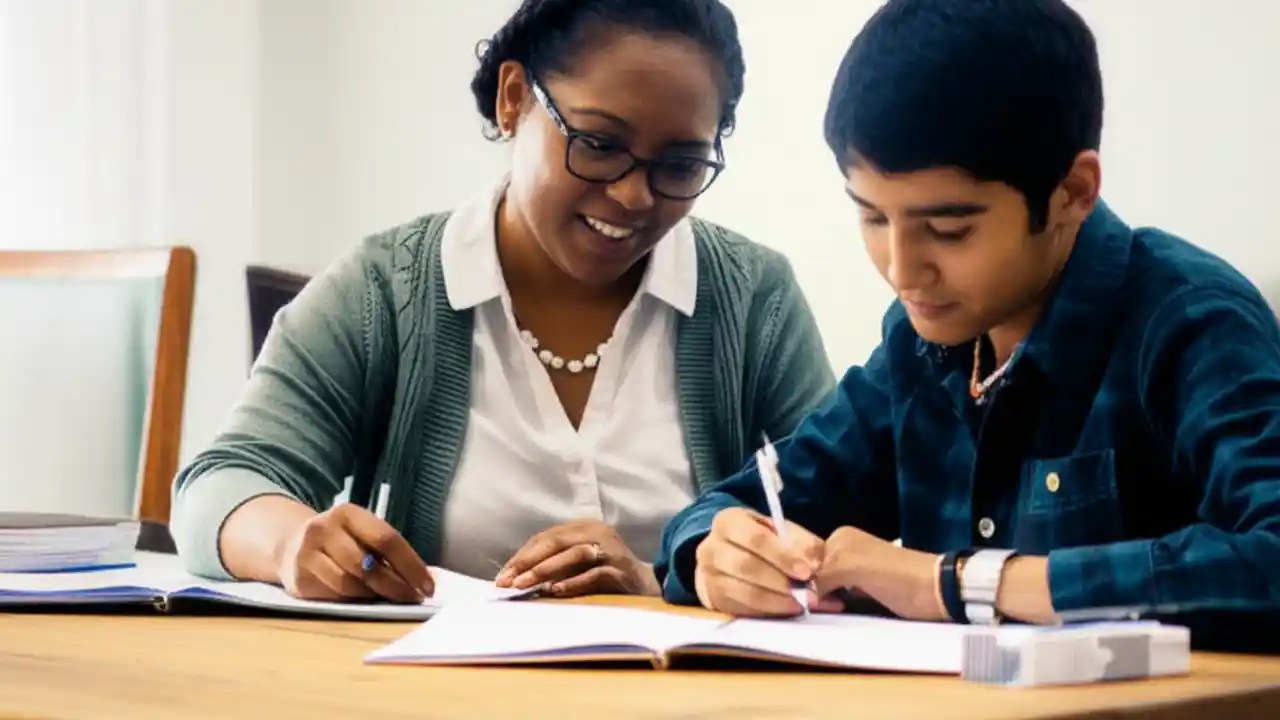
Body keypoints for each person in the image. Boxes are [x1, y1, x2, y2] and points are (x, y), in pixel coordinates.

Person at [169, 0, 835, 604]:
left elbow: (846, 526)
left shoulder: (754, 300)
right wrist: (292, 544)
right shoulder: (383, 291)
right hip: (423, 683)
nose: (634, 196)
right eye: (599, 145)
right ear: (513, 98)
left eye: (681, 165)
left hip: (692, 686)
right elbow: (220, 485)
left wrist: (657, 576)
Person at [657, 0, 1280, 638]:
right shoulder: (922, 343)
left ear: (1072, 193)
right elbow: (730, 508)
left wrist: (957, 583)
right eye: (872, 217)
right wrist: (718, 551)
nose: (902, 270)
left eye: (949, 230)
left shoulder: (1190, 323)